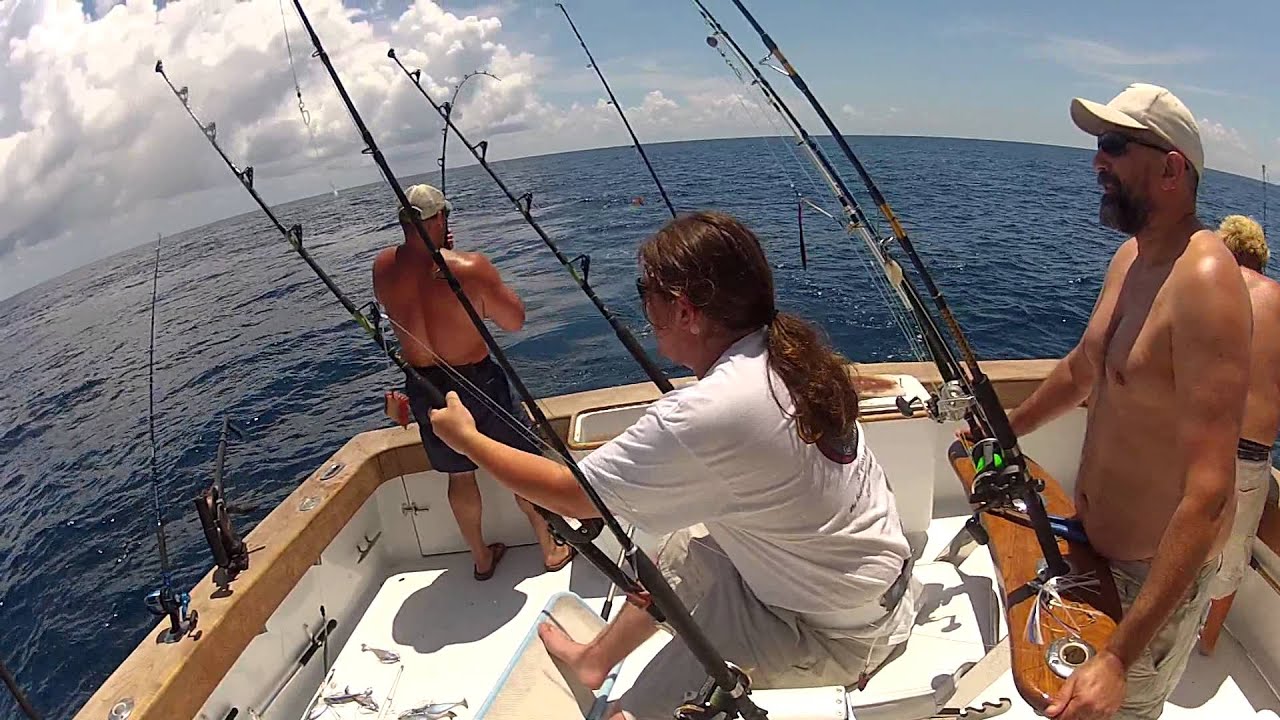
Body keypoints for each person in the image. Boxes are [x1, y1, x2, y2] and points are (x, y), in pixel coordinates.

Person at [427, 211, 921, 720]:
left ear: (686, 312)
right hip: (869, 592)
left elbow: (571, 494)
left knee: (661, 682)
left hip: (837, 636)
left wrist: (467, 440)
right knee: (680, 547)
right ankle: (595, 661)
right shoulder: (792, 355)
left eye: (648, 294)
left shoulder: (707, 413)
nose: (645, 310)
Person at [1000, 84, 1252, 720]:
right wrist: (1005, 432)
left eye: (1113, 145)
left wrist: (1117, 659)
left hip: (1147, 582)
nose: (1096, 162)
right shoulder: (1131, 257)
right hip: (1088, 542)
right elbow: (1083, 370)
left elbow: (1209, 493)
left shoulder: (1205, 282)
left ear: (1171, 167)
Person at [375, 183, 573, 580]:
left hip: (425, 388)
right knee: (523, 462)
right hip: (478, 383)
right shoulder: (469, 268)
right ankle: (550, 549)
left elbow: (400, 303)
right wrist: (461, 262)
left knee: (459, 474)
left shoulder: (382, 267)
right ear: (441, 218)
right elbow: (515, 320)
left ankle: (481, 558)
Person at [1198, 215, 1280, 655]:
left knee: (1172, 541)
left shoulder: (1207, 289)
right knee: (1232, 557)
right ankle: (1208, 643)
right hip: (1250, 456)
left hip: (1195, 443)